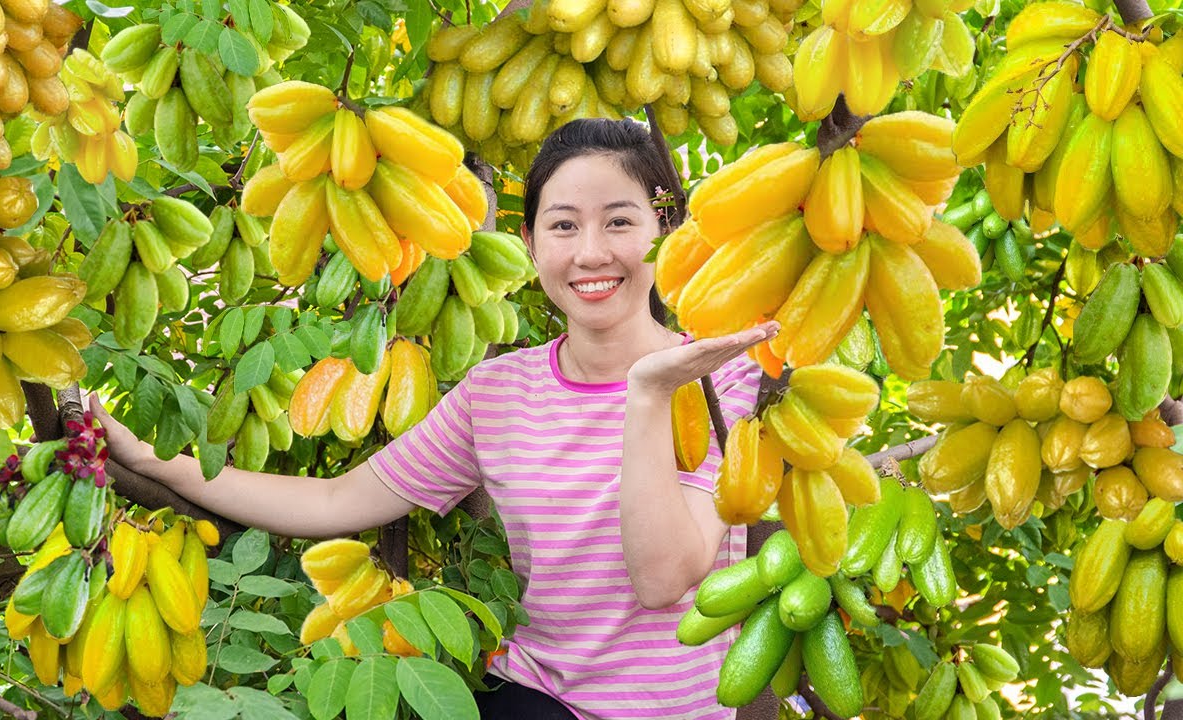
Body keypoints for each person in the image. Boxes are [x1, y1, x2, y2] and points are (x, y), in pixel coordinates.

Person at [91, 117, 778, 720]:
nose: (590, 252)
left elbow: (663, 580)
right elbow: (337, 499)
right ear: (532, 245)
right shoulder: (502, 391)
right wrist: (152, 460)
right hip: (538, 700)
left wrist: (649, 393)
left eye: (620, 221)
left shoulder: (724, 379)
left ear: (665, 230)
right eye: (563, 224)